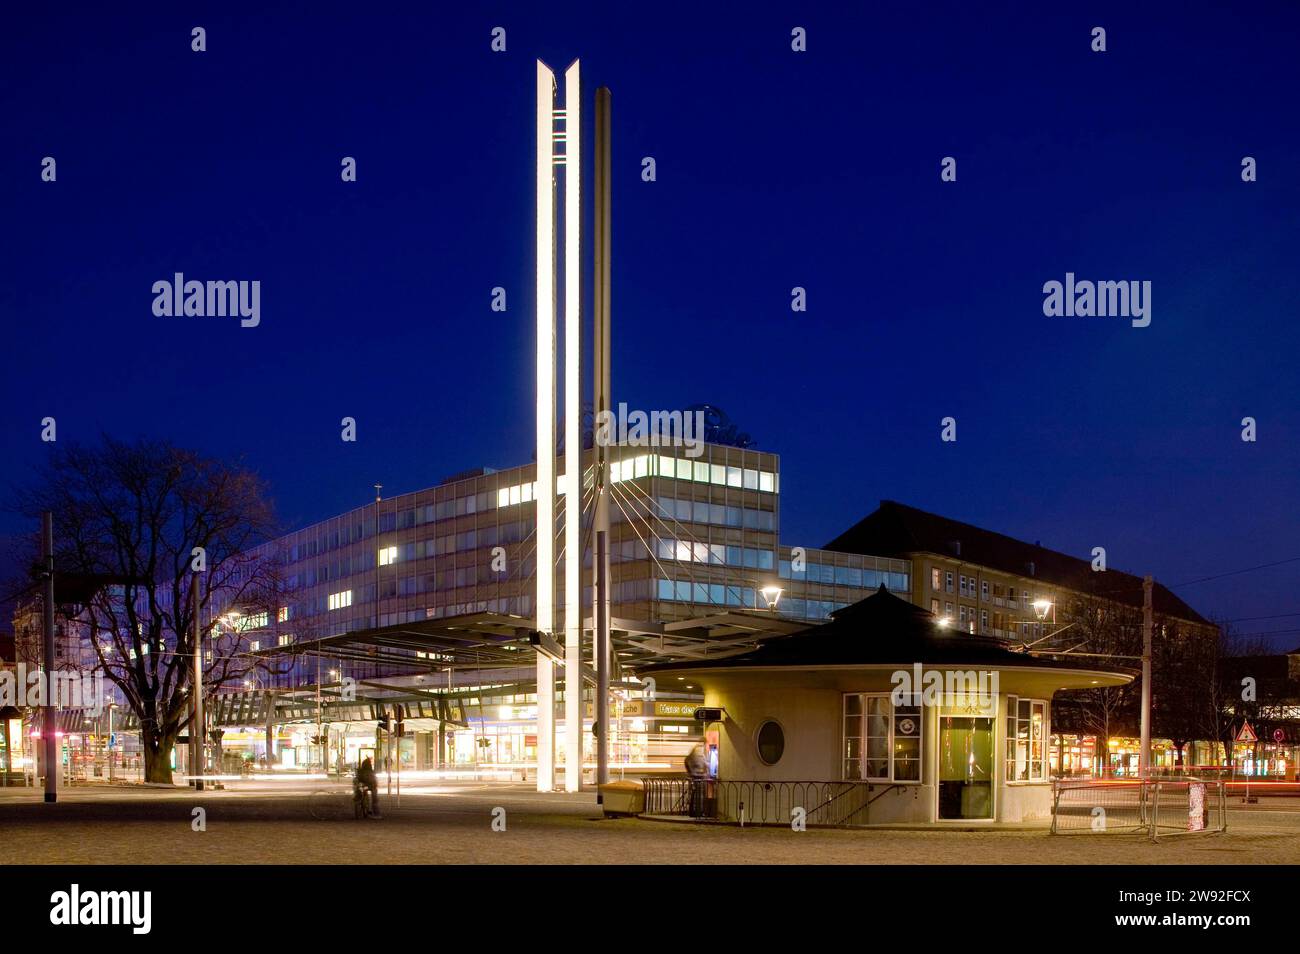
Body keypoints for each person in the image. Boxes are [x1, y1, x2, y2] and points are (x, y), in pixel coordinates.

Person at [684, 745, 708, 817]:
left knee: (694, 795)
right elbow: (705, 765)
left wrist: (690, 772)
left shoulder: (691, 757)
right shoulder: (699, 757)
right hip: (699, 778)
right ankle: (698, 812)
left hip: (695, 777)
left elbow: (687, 763)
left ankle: (693, 812)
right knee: (698, 796)